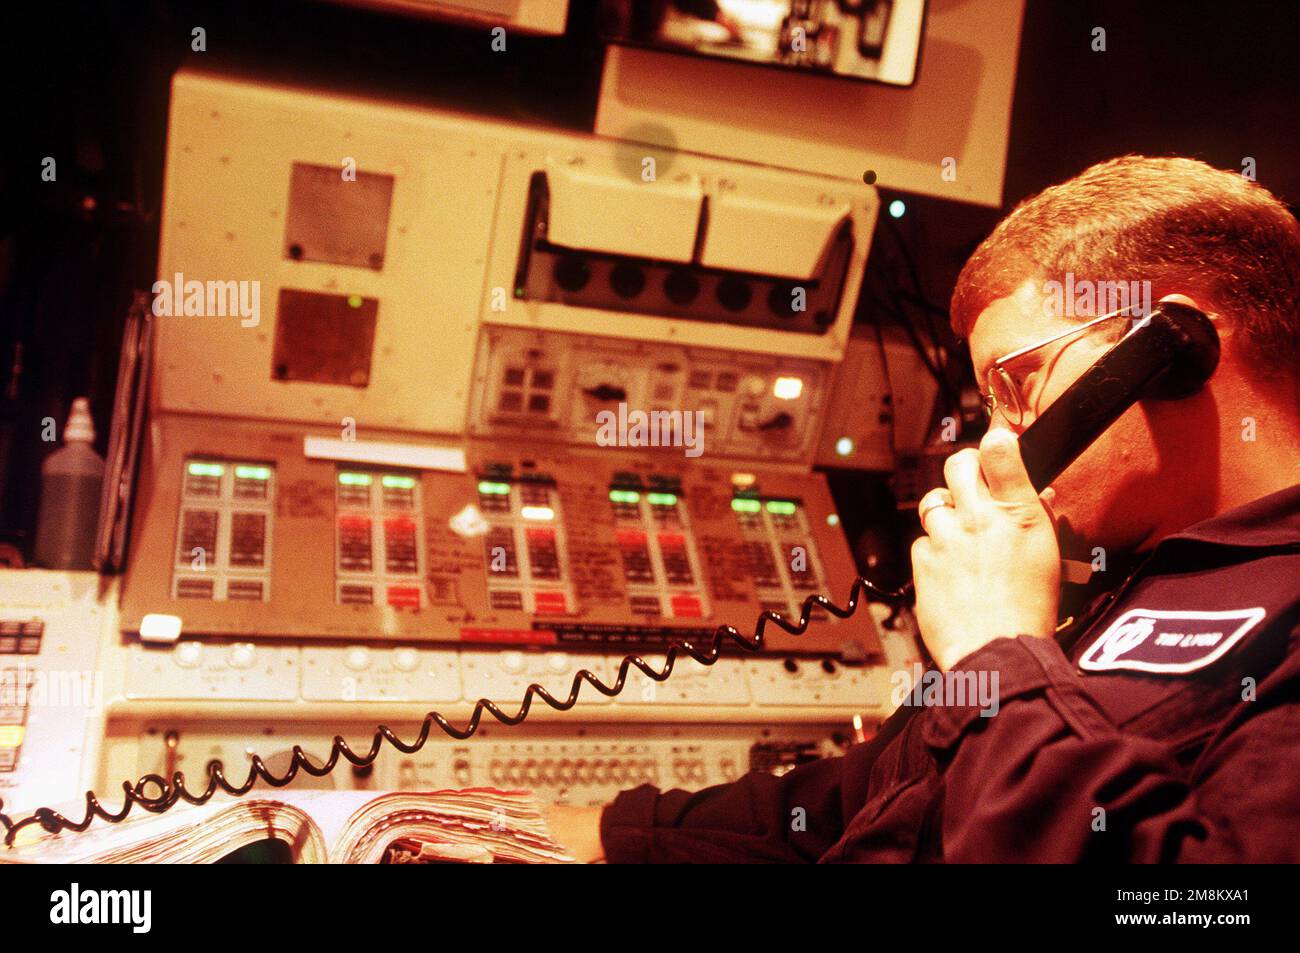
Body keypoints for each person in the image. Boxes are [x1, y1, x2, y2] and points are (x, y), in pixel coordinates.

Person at [547, 155, 1300, 862]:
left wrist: (998, 653)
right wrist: (614, 833)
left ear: (1178, 342)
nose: (996, 442)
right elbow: (865, 799)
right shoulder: (1118, 579)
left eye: (1019, 385)